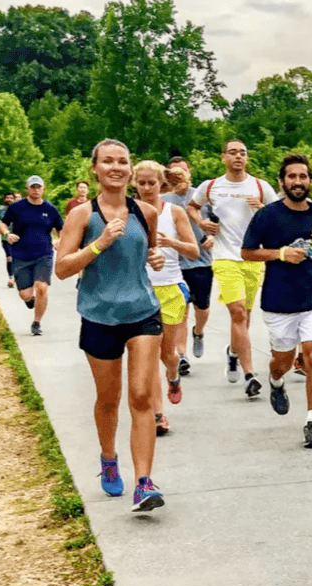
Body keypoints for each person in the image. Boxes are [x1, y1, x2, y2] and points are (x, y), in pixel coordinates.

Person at [55, 139, 169, 512]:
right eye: (108, 161)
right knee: (109, 400)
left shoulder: (146, 212)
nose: (116, 167)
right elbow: (62, 268)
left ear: (131, 169)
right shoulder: (82, 216)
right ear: (95, 169)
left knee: (141, 396)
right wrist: (99, 244)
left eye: (123, 161)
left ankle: (144, 483)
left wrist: (153, 259)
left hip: (143, 312)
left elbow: (148, 252)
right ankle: (108, 457)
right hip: (99, 315)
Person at [241, 154, 312, 448]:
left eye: (303, 177)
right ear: (282, 181)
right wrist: (280, 254)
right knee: (283, 362)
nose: (298, 182)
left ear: (310, 181)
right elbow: (247, 252)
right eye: (292, 177)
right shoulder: (267, 215)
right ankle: (276, 380)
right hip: (279, 301)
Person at [188, 139, 278, 397]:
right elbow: (192, 206)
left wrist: (262, 210)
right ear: (223, 157)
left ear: (247, 158)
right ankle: (250, 375)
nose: (238, 156)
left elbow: (277, 216)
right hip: (225, 257)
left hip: (251, 257)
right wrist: (202, 222)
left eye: (243, 152)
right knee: (238, 313)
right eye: (233, 152)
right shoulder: (212, 186)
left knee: (245, 318)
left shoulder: (261, 186)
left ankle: (233, 353)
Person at [133, 160, 199, 436]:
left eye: (152, 183)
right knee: (148, 355)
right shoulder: (127, 212)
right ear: (133, 184)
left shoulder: (174, 212)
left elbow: (194, 252)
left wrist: (171, 243)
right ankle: (158, 414)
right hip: (140, 290)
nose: (147, 188)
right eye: (141, 183)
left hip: (171, 287)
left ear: (161, 183)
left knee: (167, 355)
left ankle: (173, 377)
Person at [163, 157, 216, 373]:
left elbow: (220, 221)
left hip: (202, 261)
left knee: (202, 308)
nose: (179, 177)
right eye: (174, 173)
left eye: (182, 171)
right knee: (181, 310)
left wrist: (214, 235)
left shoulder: (203, 198)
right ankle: (182, 355)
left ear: (189, 172)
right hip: (177, 264)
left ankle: (199, 332)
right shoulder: (164, 200)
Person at [0, 176, 64, 335]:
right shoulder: (17, 207)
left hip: (44, 254)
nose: (36, 190)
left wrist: (60, 241)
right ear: (27, 189)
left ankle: (36, 323)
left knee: (42, 288)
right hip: (21, 255)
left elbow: (61, 229)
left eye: (38, 187)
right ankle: (30, 300)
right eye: (32, 187)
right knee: (25, 294)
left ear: (43, 189)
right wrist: (7, 233)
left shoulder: (50, 209)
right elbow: (2, 224)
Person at [0, 192, 15, 286]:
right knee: (9, 257)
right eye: (7, 198)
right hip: (6, 238)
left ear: (14, 199)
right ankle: (11, 278)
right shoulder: (0, 210)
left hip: (19, 237)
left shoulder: (18, 209)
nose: (9, 199)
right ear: (4, 199)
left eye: (11, 198)